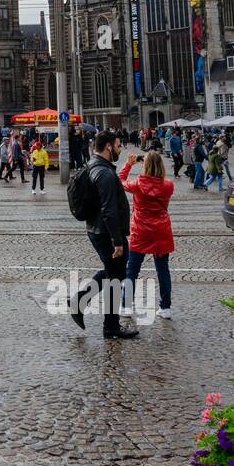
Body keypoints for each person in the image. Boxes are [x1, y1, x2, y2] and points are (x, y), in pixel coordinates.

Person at [71, 130, 138, 339]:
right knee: (116, 277)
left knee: (113, 272)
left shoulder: (94, 166)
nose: (120, 148)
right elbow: (109, 210)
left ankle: (81, 301)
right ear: (109, 146)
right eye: (118, 145)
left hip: (96, 229)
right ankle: (110, 327)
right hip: (106, 232)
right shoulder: (105, 173)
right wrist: (117, 241)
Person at [118, 150, 175, 320]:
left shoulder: (137, 184)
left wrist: (128, 164)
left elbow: (119, 181)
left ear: (145, 165)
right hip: (161, 231)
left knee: (132, 270)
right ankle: (165, 307)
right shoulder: (168, 185)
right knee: (163, 270)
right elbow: (156, 183)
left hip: (140, 231)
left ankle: (126, 306)